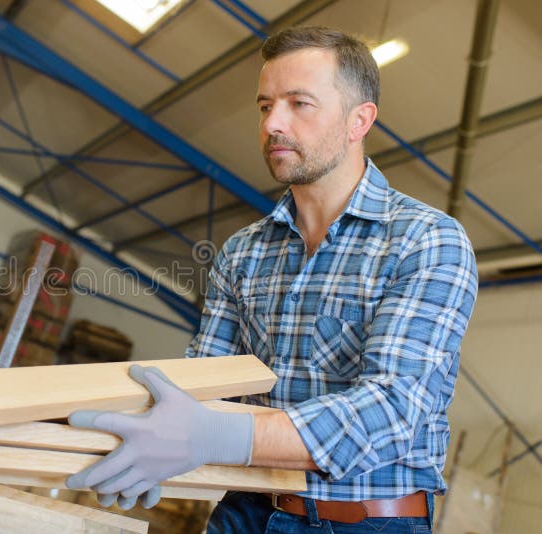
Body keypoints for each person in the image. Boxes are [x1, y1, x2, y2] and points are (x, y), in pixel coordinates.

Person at [66, 26, 478, 533]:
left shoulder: (426, 241)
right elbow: (204, 385)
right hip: (246, 514)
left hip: (364, 523)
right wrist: (147, 435)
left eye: (299, 103)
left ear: (359, 120)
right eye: (265, 106)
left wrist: (216, 438)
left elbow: (393, 412)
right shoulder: (244, 253)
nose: (273, 124)